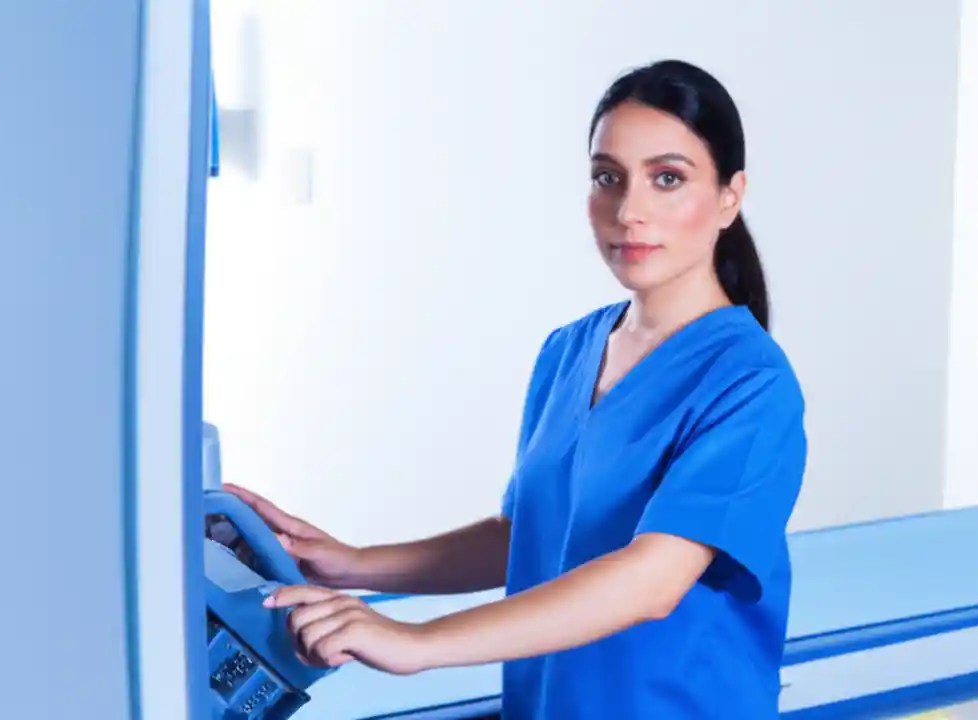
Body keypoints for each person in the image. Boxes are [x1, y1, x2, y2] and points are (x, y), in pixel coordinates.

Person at [228, 58, 808, 720]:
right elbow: (528, 535)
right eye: (607, 178)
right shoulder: (569, 351)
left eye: (667, 179)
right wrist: (350, 563)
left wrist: (417, 643)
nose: (629, 210)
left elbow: (653, 579)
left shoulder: (750, 384)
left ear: (730, 195)